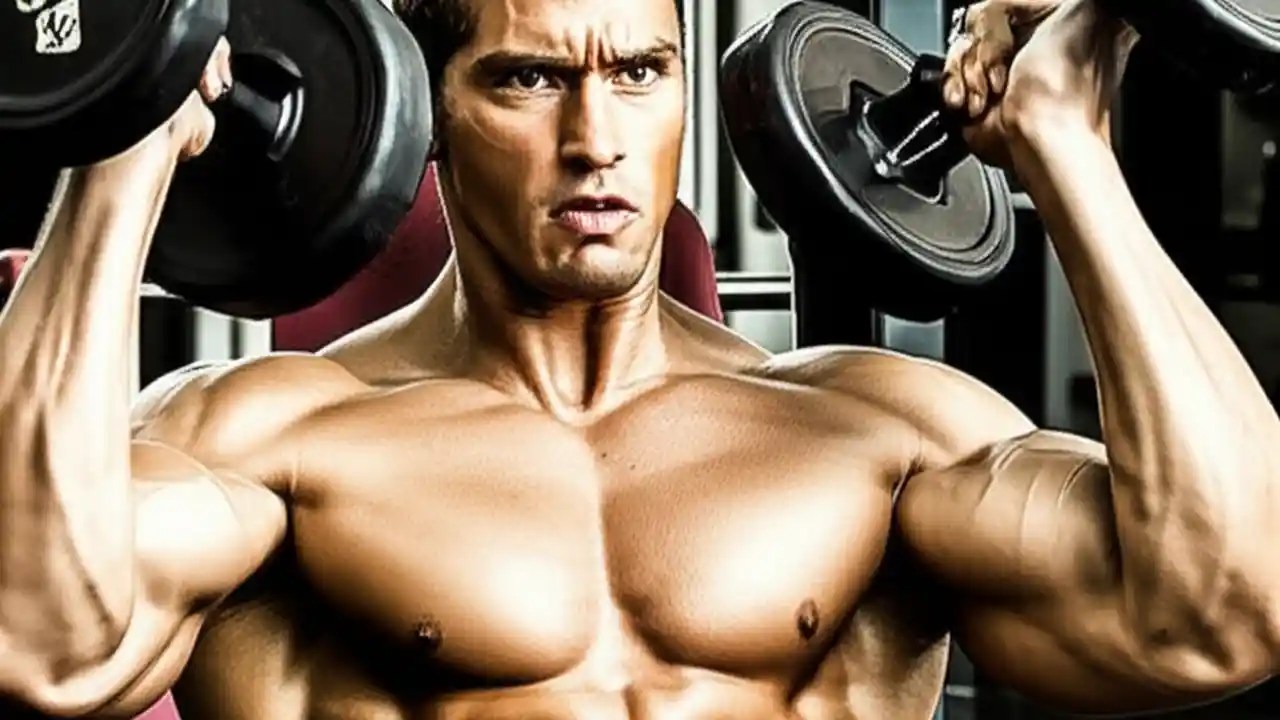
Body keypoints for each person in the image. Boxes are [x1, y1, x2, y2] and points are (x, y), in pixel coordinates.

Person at [2, 0, 1279, 717]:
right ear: (421, 108)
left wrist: (1067, 159)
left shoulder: (873, 432)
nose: (596, 138)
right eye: (526, 80)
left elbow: (1225, 616)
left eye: (640, 72)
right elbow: (35, 646)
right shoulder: (273, 441)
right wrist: (122, 148)